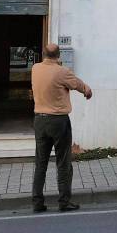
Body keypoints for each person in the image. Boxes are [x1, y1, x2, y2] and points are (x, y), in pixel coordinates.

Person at [31, 43, 92, 212]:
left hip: (39, 120)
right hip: (58, 121)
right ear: (59, 56)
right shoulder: (62, 72)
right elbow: (76, 84)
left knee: (40, 163)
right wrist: (87, 90)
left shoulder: (35, 69)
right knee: (63, 162)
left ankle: (37, 202)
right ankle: (64, 201)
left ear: (43, 54)